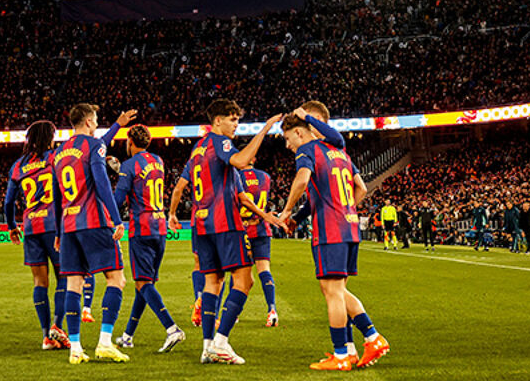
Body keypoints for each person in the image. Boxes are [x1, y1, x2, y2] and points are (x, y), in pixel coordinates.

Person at [275, 104, 390, 371]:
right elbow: (360, 188)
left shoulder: (308, 150)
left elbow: (302, 181)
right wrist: (344, 209)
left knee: (334, 292)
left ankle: (359, 346)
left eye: (288, 138)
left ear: (300, 133)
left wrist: (287, 209)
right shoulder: (339, 152)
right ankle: (350, 350)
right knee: (335, 289)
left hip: (330, 229)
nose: (288, 145)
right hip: (348, 227)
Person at [167, 101, 280, 365]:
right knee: (245, 280)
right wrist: (264, 130)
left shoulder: (197, 150)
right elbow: (241, 161)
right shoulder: (220, 142)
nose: (236, 125)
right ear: (217, 121)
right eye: (232, 120)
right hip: (226, 224)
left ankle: (207, 347)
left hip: (202, 226)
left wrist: (172, 214)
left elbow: (182, 188)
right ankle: (221, 341)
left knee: (213, 283)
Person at [51, 103, 136, 364]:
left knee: (73, 284)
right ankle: (105, 342)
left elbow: (56, 197)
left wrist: (57, 231)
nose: (97, 125)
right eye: (96, 120)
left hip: (68, 226)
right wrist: (116, 218)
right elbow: (101, 183)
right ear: (88, 122)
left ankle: (75, 348)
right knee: (116, 279)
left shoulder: (59, 153)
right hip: (93, 221)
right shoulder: (93, 146)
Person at [112, 125, 184, 353]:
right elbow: (142, 181)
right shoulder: (158, 161)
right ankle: (127, 336)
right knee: (145, 284)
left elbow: (119, 198)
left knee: (143, 283)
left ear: (130, 141)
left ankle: (172, 328)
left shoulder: (129, 165)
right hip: (159, 226)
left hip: (141, 227)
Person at [3, 120, 70, 351]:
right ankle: (58, 328)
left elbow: (9, 202)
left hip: (31, 227)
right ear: (49, 137)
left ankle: (46, 337)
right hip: (55, 226)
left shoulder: (18, 165)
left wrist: (12, 226)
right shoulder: (55, 157)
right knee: (65, 277)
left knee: (39, 282)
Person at [238, 160, 279, 327]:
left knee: (240, 274)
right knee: (264, 270)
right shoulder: (265, 177)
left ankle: (234, 314)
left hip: (243, 229)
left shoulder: (236, 177)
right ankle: (272, 310)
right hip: (262, 227)